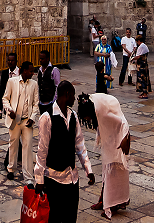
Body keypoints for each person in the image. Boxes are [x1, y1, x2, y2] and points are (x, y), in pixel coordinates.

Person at [35, 80, 94, 223]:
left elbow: (80, 144)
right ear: (67, 94)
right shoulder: (47, 117)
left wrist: (88, 169)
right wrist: (39, 179)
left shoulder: (73, 116)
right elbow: (42, 150)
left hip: (72, 178)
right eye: (73, 95)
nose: (75, 99)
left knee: (70, 217)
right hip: (54, 178)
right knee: (54, 218)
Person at [77, 93, 129, 219]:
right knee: (107, 169)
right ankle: (105, 199)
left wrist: (126, 137)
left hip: (118, 138)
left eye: (87, 118)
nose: (88, 120)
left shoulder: (103, 111)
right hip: (109, 137)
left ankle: (114, 204)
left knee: (114, 170)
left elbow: (123, 121)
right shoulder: (93, 103)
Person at [2, 60, 37, 182]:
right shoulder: (12, 82)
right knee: (13, 143)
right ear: (24, 71)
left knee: (27, 146)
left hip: (27, 120)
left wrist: (32, 118)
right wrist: (9, 110)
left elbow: (36, 103)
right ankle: (11, 168)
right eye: (31, 71)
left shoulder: (34, 84)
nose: (33, 73)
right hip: (15, 119)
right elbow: (5, 99)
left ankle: (28, 174)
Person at [37, 49, 60, 115]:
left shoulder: (54, 70)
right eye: (40, 59)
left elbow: (57, 86)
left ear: (47, 59)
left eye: (42, 59)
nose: (40, 60)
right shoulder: (40, 70)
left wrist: (54, 101)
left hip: (50, 102)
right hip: (41, 102)